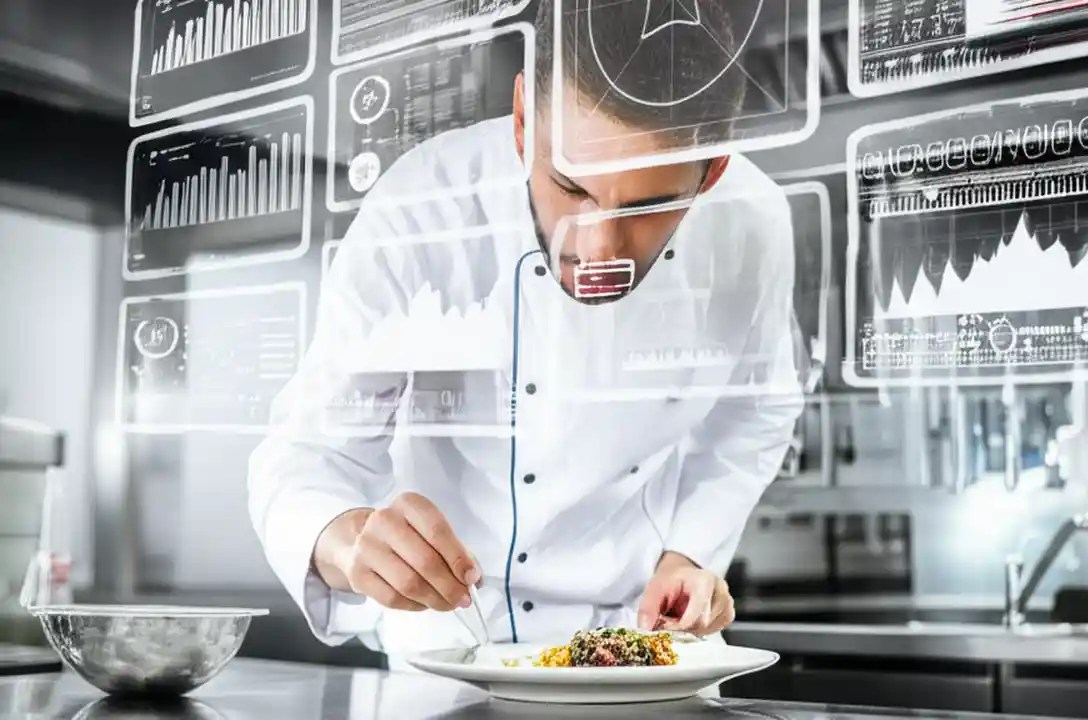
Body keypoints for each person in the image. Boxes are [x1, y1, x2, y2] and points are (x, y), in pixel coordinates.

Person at [247, 0, 802, 667]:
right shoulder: (424, 204)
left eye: (647, 207)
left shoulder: (753, 221)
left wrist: (689, 553)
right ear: (521, 122)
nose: (599, 251)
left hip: (646, 645)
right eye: (571, 188)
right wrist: (345, 538)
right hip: (452, 649)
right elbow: (307, 451)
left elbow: (756, 408)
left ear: (710, 173)